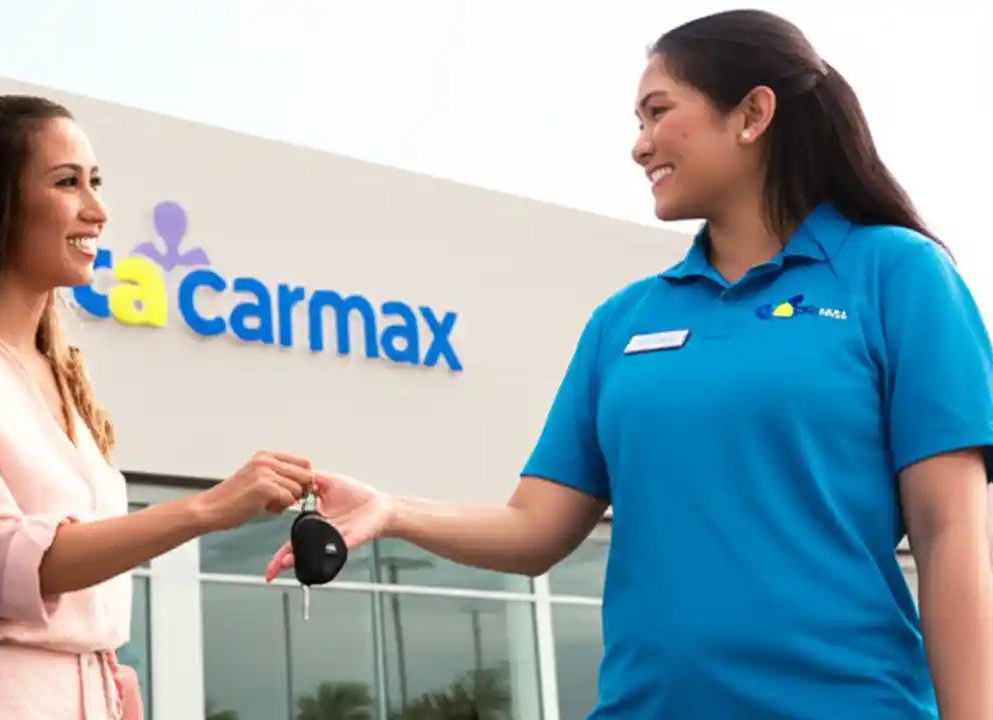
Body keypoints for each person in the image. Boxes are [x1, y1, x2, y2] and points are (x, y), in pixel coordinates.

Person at [266, 9, 993, 720]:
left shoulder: (897, 275)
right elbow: (535, 529)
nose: (640, 147)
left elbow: (948, 533)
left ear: (752, 114)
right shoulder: (623, 321)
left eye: (657, 113)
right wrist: (393, 510)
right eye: (637, 123)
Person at [0, 94, 315, 719]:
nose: (97, 210)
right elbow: (0, 561)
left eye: (95, 182)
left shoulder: (61, 372)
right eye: (66, 182)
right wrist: (208, 508)